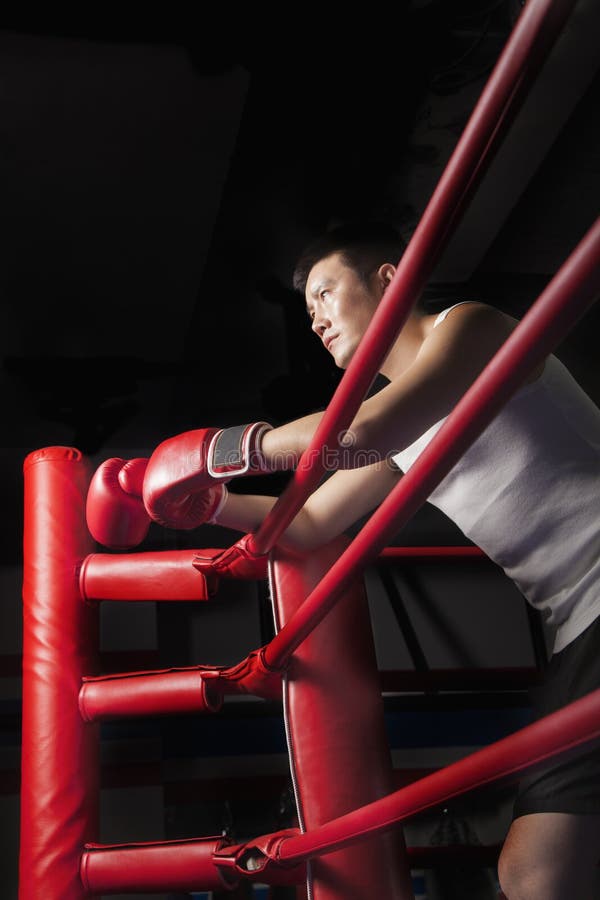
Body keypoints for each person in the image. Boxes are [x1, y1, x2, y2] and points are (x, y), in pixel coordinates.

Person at [141, 222, 600, 900]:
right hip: (578, 629)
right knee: (539, 874)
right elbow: (311, 522)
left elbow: (359, 431)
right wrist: (204, 501)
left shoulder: (470, 326)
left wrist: (221, 450)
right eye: (308, 311)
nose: (316, 320)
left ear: (389, 280)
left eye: (326, 293)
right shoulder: (401, 431)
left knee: (541, 873)